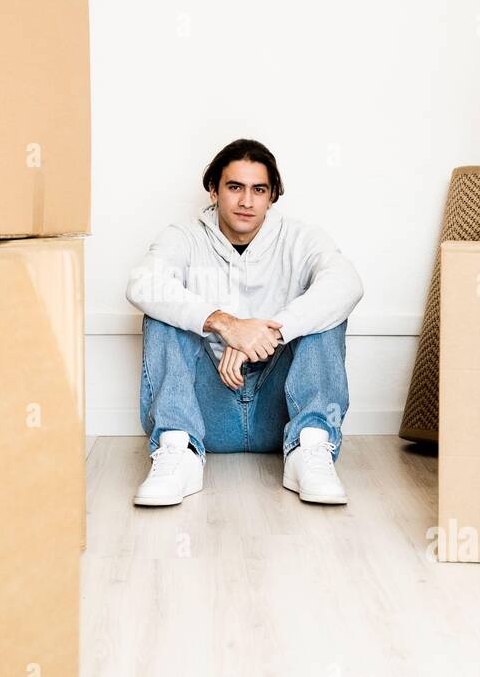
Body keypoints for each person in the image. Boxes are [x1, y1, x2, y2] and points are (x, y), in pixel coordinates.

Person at [125, 138, 364, 507]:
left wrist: (273, 329)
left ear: (272, 196)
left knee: (326, 311)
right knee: (162, 312)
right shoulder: (183, 237)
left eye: (259, 190)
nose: (246, 201)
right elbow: (143, 283)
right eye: (234, 187)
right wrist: (225, 323)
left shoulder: (302, 237)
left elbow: (347, 284)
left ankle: (311, 448)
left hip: (281, 409)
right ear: (213, 191)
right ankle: (177, 451)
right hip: (207, 410)